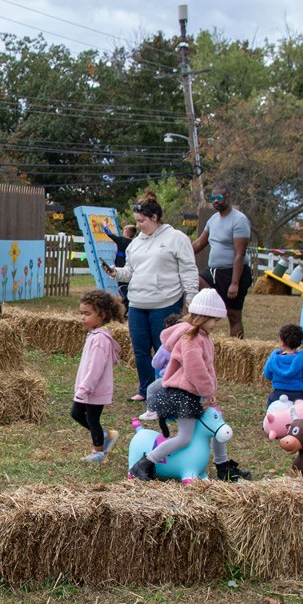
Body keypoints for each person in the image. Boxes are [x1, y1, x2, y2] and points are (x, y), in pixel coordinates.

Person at [145, 288, 250, 481]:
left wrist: (211, 391)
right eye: (214, 320)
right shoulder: (191, 338)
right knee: (184, 438)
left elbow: (207, 367)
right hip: (185, 395)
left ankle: (222, 466)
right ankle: (146, 463)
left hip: (196, 392)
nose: (216, 324)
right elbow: (196, 370)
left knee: (216, 423)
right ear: (203, 316)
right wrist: (208, 391)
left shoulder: (201, 335)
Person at [104, 191, 197, 402]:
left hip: (165, 302)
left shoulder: (176, 238)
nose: (138, 226)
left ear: (154, 217)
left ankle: (168, 388)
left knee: (165, 349)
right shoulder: (136, 243)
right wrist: (116, 273)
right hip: (137, 303)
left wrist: (191, 297)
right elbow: (130, 271)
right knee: (140, 350)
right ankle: (145, 389)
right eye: (136, 221)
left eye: (141, 221)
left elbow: (189, 270)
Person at [71, 290, 125, 463]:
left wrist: (85, 388)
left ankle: (99, 452)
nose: (82, 317)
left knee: (91, 418)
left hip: (93, 389)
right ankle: (105, 437)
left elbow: (95, 368)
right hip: (90, 388)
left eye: (87, 314)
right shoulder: (95, 334)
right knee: (77, 414)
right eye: (81, 313)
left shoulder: (100, 339)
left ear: (102, 314)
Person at [192, 182, 252, 338]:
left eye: (219, 197)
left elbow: (239, 254)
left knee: (233, 315)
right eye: (212, 198)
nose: (215, 201)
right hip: (213, 272)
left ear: (228, 197)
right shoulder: (212, 220)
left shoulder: (239, 220)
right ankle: (214, 305)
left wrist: (234, 283)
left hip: (233, 272)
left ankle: (236, 347)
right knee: (193, 280)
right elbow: (199, 243)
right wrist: (180, 253)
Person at [263, 323, 303, 405]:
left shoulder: (273, 358)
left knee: (271, 407)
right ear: (300, 342)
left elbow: (267, 375)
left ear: (282, 342)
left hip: (277, 395)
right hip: (299, 395)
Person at [101, 221, 137, 309]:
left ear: (126, 233)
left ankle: (125, 302)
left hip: (120, 264)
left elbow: (110, 235)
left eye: (124, 231)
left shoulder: (121, 240)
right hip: (130, 264)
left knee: (121, 284)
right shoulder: (134, 242)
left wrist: (105, 226)